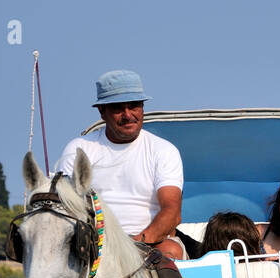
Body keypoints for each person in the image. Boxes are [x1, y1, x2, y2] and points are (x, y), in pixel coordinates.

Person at [53, 70, 186, 259]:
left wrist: (134, 243)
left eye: (134, 106)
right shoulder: (79, 149)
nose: (127, 114)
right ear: (102, 112)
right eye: (118, 108)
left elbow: (172, 212)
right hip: (92, 246)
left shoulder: (163, 150)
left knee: (171, 251)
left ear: (142, 107)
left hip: (148, 244)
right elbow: (63, 204)